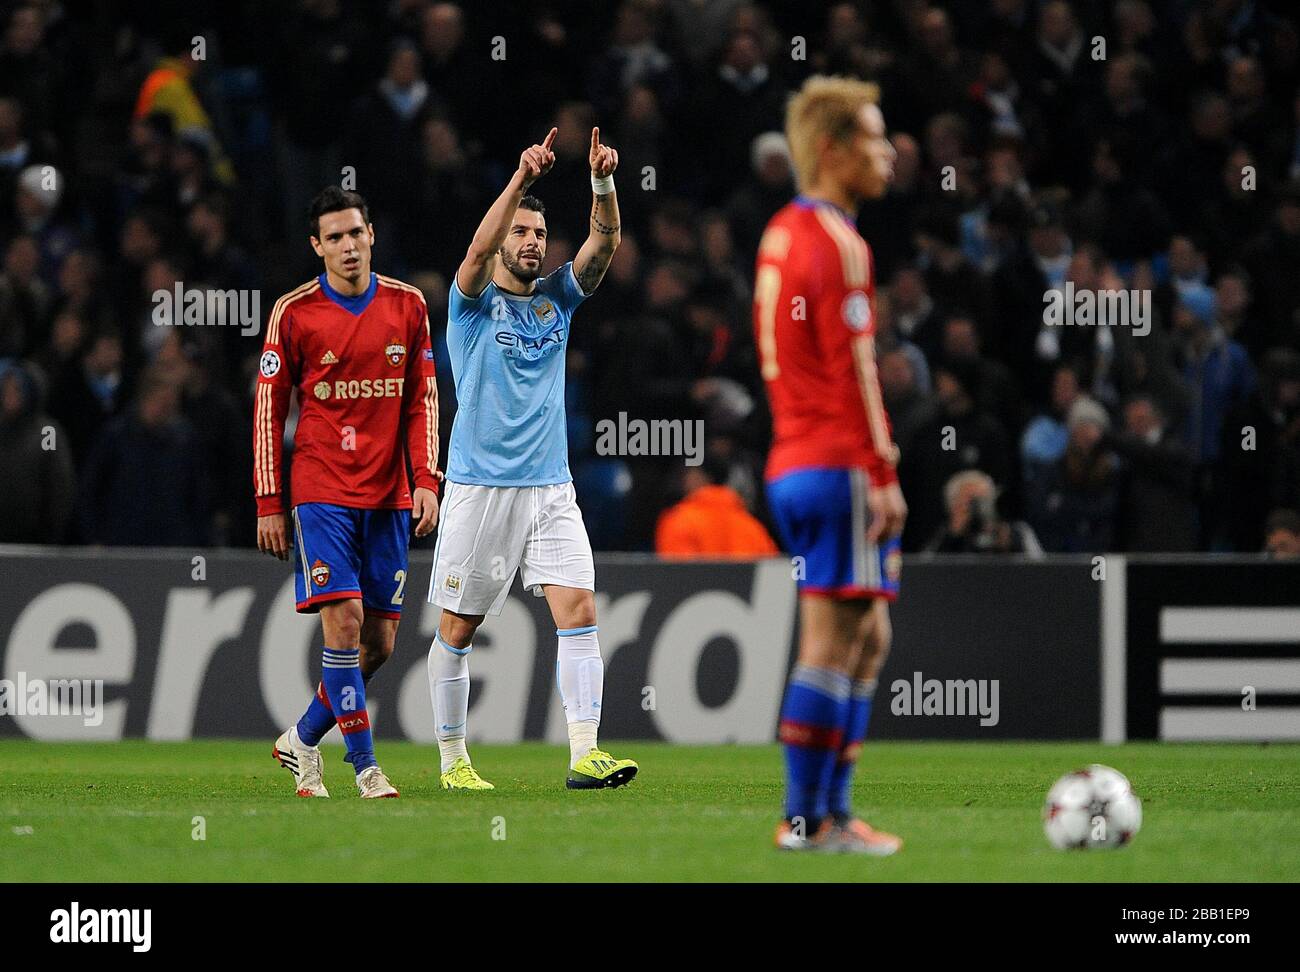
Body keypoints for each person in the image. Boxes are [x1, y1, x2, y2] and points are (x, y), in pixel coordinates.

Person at [424, 127, 638, 792]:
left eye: (538, 235)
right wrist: (521, 177)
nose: (530, 243)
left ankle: (584, 753)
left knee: (578, 610)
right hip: (481, 488)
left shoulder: (557, 302)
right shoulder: (470, 305)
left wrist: (601, 181)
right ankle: (454, 760)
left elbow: (603, 246)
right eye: (520, 232)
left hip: (551, 488)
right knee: (458, 628)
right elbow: (474, 250)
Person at [755, 76, 905, 855]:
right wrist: (882, 471)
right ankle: (807, 820)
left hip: (795, 458)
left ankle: (830, 815)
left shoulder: (781, 232)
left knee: (868, 635)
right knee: (829, 640)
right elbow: (857, 369)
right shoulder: (842, 243)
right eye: (875, 139)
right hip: (838, 460)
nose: (888, 153)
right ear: (833, 149)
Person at [255, 186, 441, 799]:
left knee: (380, 644)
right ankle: (364, 768)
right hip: (321, 487)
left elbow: (422, 401)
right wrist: (269, 501)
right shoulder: (295, 312)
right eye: (333, 237)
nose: (347, 246)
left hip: (388, 493)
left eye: (355, 233)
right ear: (317, 246)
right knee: (345, 619)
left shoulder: (409, 307)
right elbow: (268, 407)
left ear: (372, 235)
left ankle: (302, 738)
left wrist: (426, 480)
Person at [655, 454, 779, 558]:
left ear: (703, 476)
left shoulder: (679, 520)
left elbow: (674, 576)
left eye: (689, 472)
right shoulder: (752, 525)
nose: (684, 478)